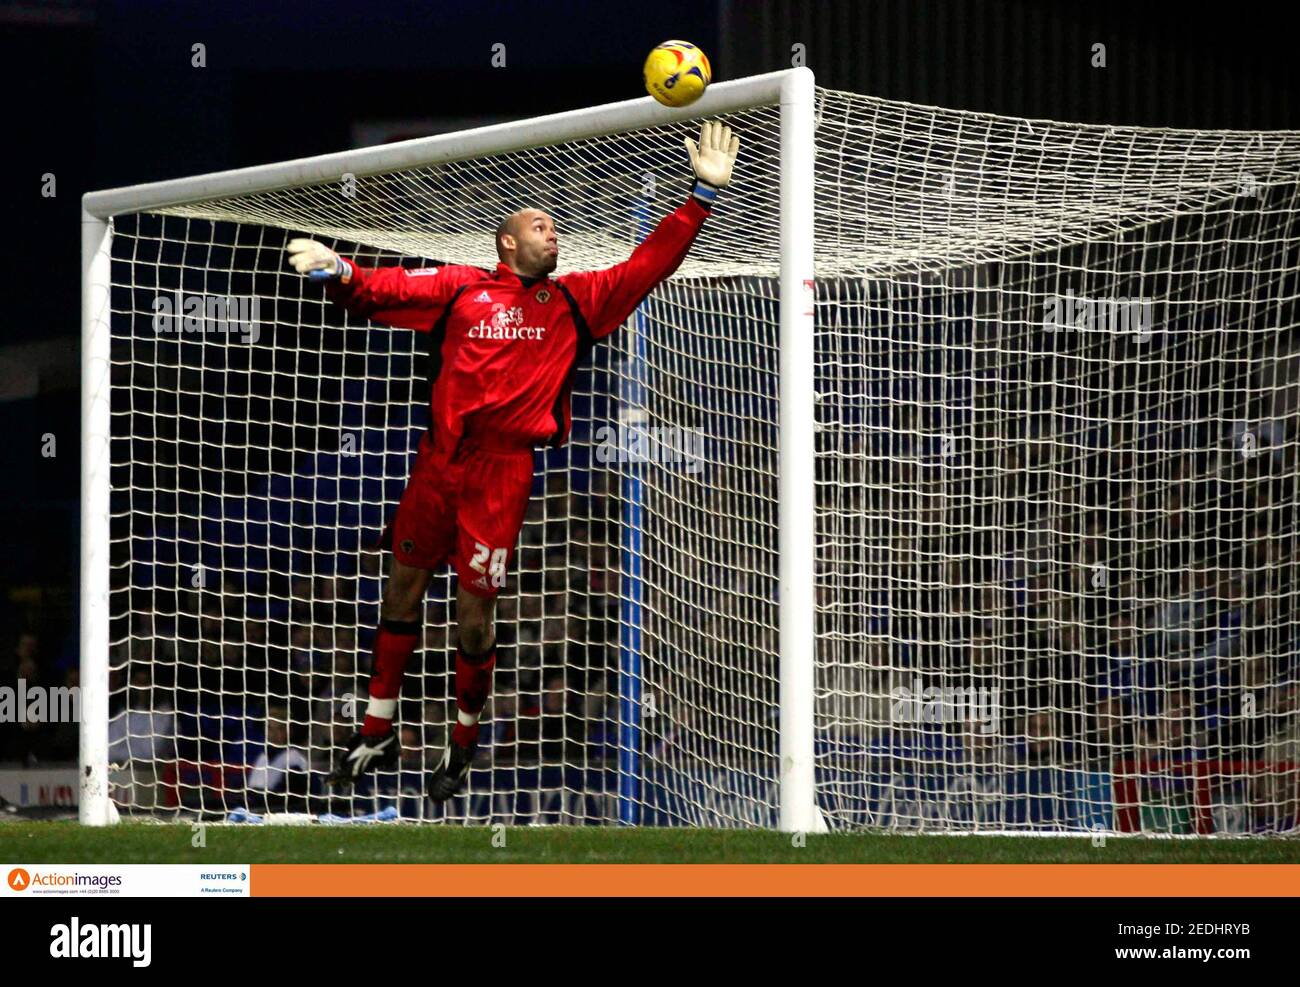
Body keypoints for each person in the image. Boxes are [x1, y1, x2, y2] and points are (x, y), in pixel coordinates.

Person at [288, 122, 739, 801]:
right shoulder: (463, 288)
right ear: (507, 241)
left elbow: (648, 264)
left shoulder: (575, 302)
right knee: (401, 587)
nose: (552, 232)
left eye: (555, 226)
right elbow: (384, 292)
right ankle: (377, 727)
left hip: (502, 473)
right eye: (540, 225)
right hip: (439, 463)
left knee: (474, 617)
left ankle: (463, 741)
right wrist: (342, 271)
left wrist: (700, 195)